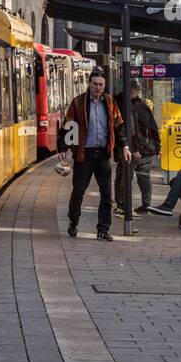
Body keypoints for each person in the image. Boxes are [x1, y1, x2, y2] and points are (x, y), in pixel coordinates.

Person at [63, 68, 130, 241]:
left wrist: (125, 146)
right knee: (78, 191)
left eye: (101, 84)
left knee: (106, 194)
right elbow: (69, 125)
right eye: (95, 84)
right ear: (89, 84)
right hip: (84, 154)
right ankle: (73, 222)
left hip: (103, 154)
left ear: (104, 85)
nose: (98, 87)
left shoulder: (109, 102)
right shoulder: (78, 103)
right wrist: (63, 148)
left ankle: (103, 229)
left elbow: (119, 126)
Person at [114, 82, 160, 215]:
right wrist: (155, 146)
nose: (135, 92)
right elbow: (149, 128)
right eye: (134, 89)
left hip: (138, 149)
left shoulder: (130, 106)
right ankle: (139, 204)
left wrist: (154, 146)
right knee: (136, 176)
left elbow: (145, 128)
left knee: (127, 176)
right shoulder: (134, 106)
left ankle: (125, 204)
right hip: (136, 148)